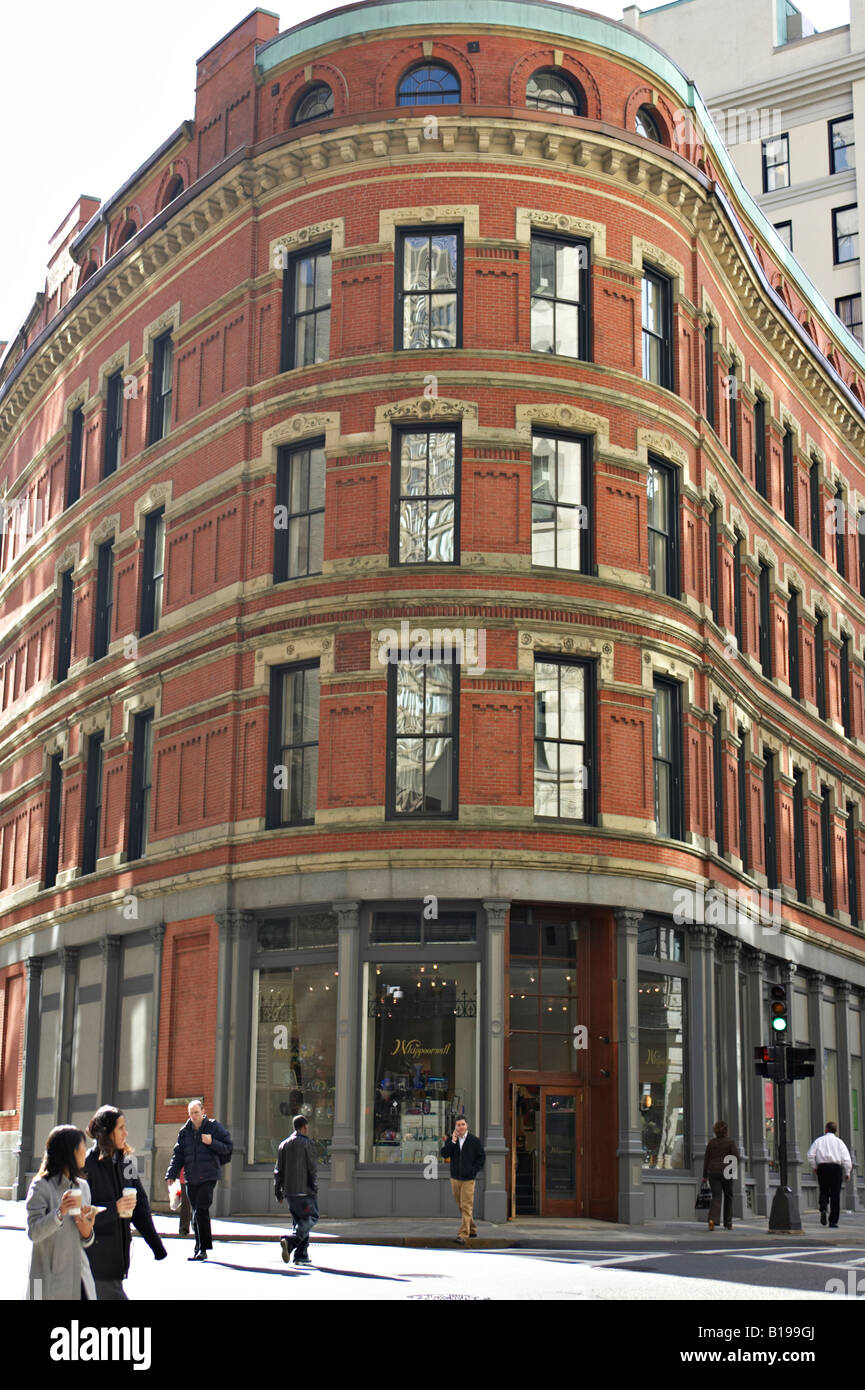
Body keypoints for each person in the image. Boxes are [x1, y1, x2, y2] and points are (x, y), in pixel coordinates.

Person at [84, 1104, 167, 1299]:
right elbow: (82, 1213)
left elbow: (140, 1205)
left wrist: (155, 1244)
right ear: (106, 1132)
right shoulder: (87, 1164)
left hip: (119, 1257)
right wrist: (115, 1208)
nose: (126, 1133)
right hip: (96, 1259)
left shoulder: (127, 1161)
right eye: (121, 1128)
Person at [25, 1125, 97, 1300]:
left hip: (79, 1277)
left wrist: (87, 1227)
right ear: (69, 1152)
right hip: (44, 1278)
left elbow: (86, 1241)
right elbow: (34, 1232)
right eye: (82, 1147)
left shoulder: (83, 1187)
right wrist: (60, 1212)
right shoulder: (40, 1186)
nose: (85, 1152)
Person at [165, 1098, 232, 1260]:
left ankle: (202, 1248)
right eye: (191, 1113)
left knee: (201, 1209)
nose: (193, 1116)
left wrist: (212, 1142)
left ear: (203, 1111)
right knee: (196, 1213)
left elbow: (228, 1147)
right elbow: (178, 1155)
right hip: (191, 1177)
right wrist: (171, 1174)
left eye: (196, 1112)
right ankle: (198, 1246)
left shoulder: (213, 1127)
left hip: (208, 1176)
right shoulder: (184, 1131)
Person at [273, 1115, 318, 1266]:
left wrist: (278, 1191)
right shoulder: (307, 1143)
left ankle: (301, 1255)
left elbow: (278, 1171)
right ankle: (290, 1241)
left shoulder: (283, 1145)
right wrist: (314, 1186)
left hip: (290, 1192)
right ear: (304, 1127)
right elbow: (312, 1168)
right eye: (307, 1127)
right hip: (305, 1191)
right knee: (311, 1216)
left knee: (299, 1220)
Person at [441, 1117, 485, 1244]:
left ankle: (463, 1234)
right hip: (455, 1178)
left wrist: (474, 1170)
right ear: (455, 1127)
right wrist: (452, 1142)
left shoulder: (474, 1141)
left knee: (466, 1205)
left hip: (468, 1179)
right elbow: (444, 1154)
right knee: (462, 1206)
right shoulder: (452, 1140)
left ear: (467, 1125)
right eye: (458, 1125)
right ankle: (472, 1229)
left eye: (463, 1124)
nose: (460, 1127)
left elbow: (481, 1157)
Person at [807, 1121, 852, 1228]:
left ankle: (823, 1208)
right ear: (835, 1130)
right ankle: (833, 1221)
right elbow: (846, 1158)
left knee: (824, 1190)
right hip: (836, 1168)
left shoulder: (819, 1141)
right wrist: (847, 1172)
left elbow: (810, 1155)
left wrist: (814, 1167)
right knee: (835, 1194)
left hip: (823, 1167)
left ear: (826, 1129)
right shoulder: (839, 1142)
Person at [702, 1120, 740, 1231]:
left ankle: (712, 1220)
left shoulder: (711, 1143)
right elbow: (736, 1157)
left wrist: (705, 1176)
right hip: (727, 1171)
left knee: (716, 1196)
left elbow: (706, 1160)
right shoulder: (730, 1142)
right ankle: (728, 1222)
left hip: (713, 1172)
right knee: (728, 1196)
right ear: (726, 1131)